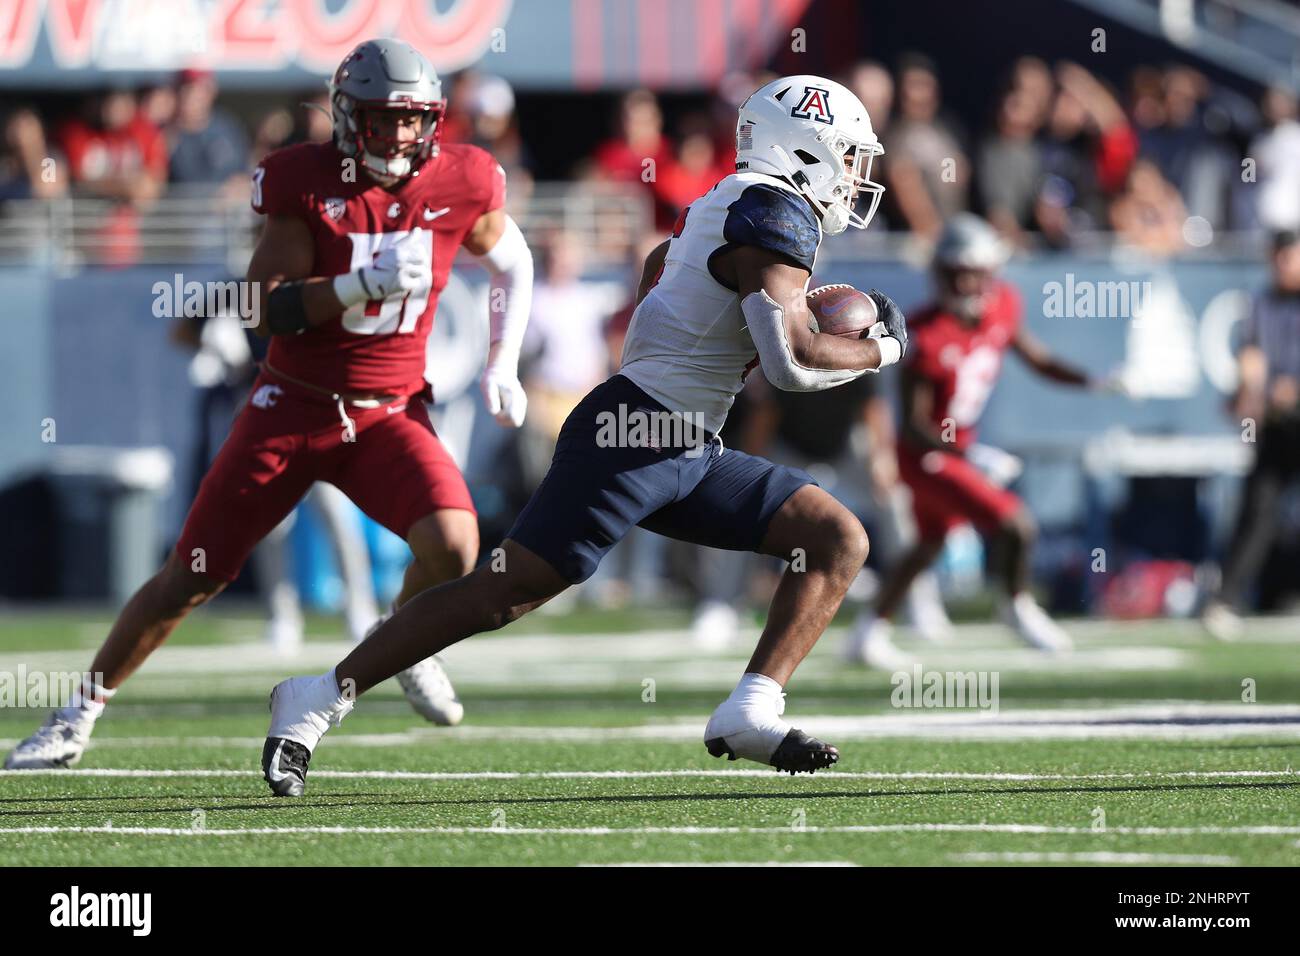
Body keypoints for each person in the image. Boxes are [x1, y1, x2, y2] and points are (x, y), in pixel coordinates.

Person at [260, 74, 909, 796]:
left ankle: (750, 708)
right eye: (847, 155)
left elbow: (661, 266)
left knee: (835, 538)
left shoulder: (731, 198)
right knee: (501, 594)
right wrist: (885, 349)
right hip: (635, 439)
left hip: (682, 441)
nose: (855, 174)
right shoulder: (775, 212)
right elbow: (792, 365)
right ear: (807, 149)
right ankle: (318, 695)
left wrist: (683, 347)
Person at [5, 39, 533, 770]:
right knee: (191, 575)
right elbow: (262, 308)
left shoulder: (464, 178)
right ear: (349, 118)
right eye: (384, 119)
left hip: (387, 413)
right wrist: (357, 284)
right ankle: (76, 714)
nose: (401, 136)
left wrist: (503, 361)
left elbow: (513, 259)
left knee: (455, 545)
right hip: (294, 408)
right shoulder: (303, 182)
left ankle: (401, 640)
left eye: (414, 120)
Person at [847, 214, 1115, 668]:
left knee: (927, 546)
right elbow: (912, 426)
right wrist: (971, 454)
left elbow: (1036, 358)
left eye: (973, 271)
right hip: (926, 455)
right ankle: (1015, 606)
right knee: (1015, 524)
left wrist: (1093, 380)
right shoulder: (926, 334)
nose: (965, 282)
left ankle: (868, 630)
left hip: (957, 450)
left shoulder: (1002, 306)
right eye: (956, 272)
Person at [1202, 231, 1300, 638]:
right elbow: (1252, 360)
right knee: (1257, 508)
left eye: (1289, 257)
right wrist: (1250, 396)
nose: (1282, 265)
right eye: (1277, 257)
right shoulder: (1261, 303)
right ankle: (1226, 599)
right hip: (1281, 425)